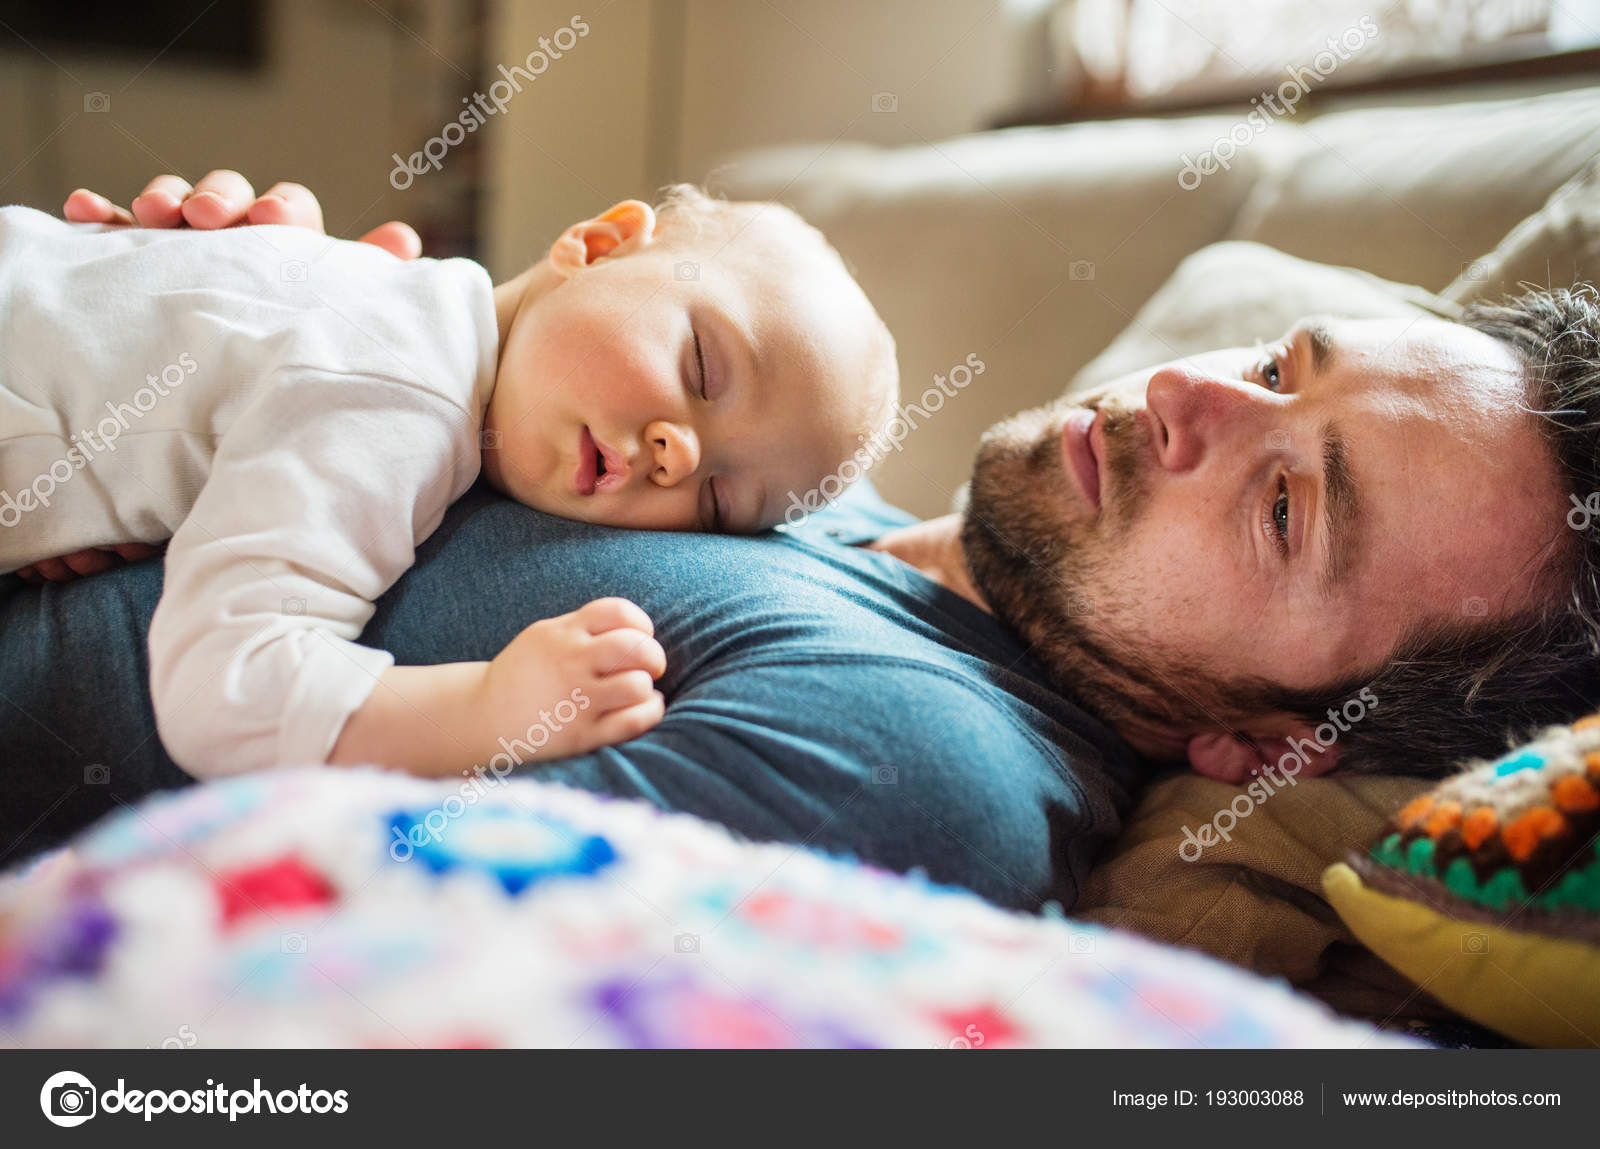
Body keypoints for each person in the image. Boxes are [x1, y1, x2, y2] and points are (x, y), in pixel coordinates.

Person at [6, 173, 1598, 914]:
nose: (1187, 394)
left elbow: (299, 938)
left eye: (1283, 505)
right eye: (1272, 367)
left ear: (1270, 742)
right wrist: (223, 328)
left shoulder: (918, 761)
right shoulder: (787, 474)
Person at [0, 176, 898, 781]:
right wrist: (492, 708)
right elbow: (223, 691)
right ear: (601, 242)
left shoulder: (390, 298)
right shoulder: (404, 392)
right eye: (702, 367)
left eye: (717, 501)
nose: (681, 454)